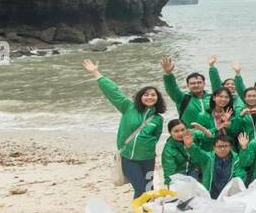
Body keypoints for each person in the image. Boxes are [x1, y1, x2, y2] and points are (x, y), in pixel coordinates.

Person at [84, 59, 164, 194]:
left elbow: (155, 137)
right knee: (140, 189)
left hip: (148, 159)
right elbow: (113, 92)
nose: (149, 97)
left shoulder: (158, 118)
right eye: (146, 94)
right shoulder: (128, 107)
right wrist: (96, 73)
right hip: (129, 158)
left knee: (149, 189)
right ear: (140, 97)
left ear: (158, 98)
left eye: (153, 95)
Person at [186, 130, 246, 198]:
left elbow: (240, 177)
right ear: (214, 148)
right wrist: (190, 146)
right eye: (219, 146)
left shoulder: (237, 160)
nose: (222, 149)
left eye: (226, 146)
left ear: (231, 147)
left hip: (228, 197)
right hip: (209, 197)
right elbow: (198, 153)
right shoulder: (208, 158)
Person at [161, 57, 212, 129]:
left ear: (204, 83)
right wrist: (168, 74)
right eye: (193, 83)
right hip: (190, 136)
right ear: (188, 85)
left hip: (211, 135)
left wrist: (212, 67)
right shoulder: (182, 99)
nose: (196, 85)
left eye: (199, 82)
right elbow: (172, 88)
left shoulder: (212, 98)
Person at [161, 118, 209, 185]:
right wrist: (171, 186)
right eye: (176, 131)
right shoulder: (169, 149)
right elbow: (169, 171)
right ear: (170, 132)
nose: (180, 133)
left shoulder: (193, 134)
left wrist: (203, 129)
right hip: (180, 176)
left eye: (183, 130)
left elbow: (210, 138)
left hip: (197, 172)